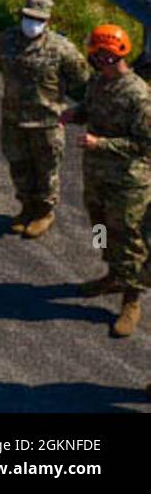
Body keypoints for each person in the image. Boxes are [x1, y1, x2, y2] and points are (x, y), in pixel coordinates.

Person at [61, 24, 151, 338]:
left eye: (98, 55)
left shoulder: (138, 95)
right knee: (99, 226)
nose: (93, 60)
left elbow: (145, 144)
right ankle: (112, 276)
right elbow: (91, 109)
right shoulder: (99, 82)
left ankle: (132, 298)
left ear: (110, 57)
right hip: (97, 173)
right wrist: (76, 114)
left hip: (128, 181)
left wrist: (102, 144)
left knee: (128, 236)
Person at [0, 0, 88, 238]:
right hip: (13, 119)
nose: (31, 24)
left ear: (48, 22)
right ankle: (26, 208)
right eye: (28, 18)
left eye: (38, 20)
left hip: (46, 123)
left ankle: (44, 213)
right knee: (19, 166)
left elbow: (81, 79)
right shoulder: (5, 40)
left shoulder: (62, 49)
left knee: (46, 171)